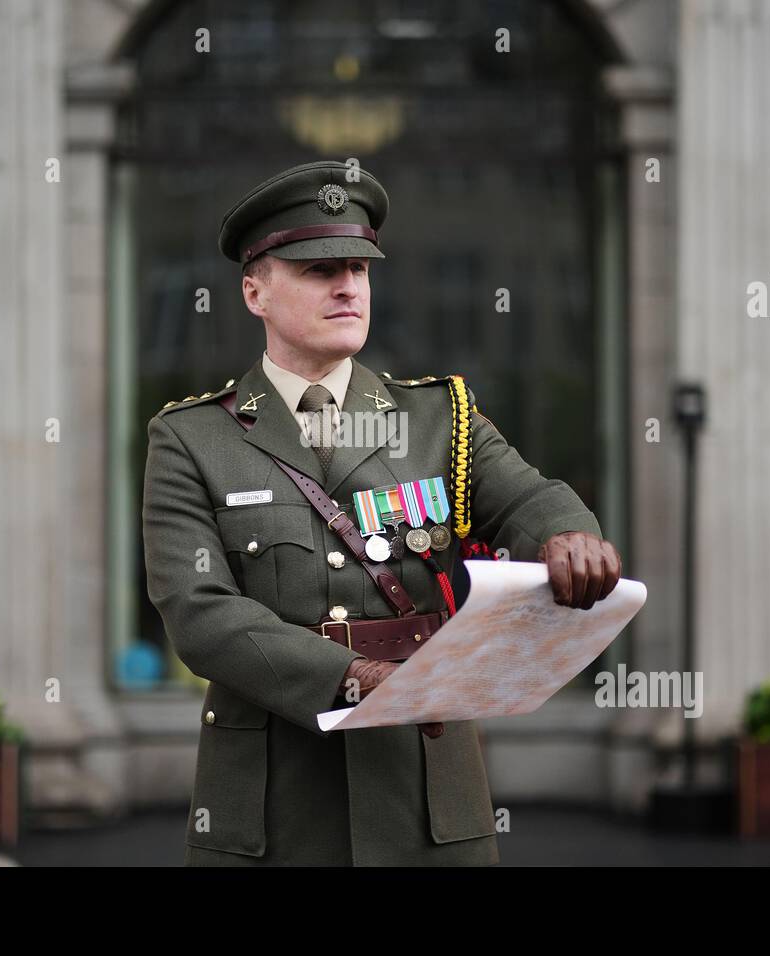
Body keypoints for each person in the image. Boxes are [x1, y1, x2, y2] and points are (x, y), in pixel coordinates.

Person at [141, 160, 622, 866]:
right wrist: (351, 675)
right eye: (316, 269)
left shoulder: (437, 417)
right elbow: (200, 613)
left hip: (425, 788)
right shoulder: (192, 438)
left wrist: (569, 534)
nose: (347, 286)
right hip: (274, 798)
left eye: (359, 270)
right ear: (254, 292)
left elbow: (526, 496)